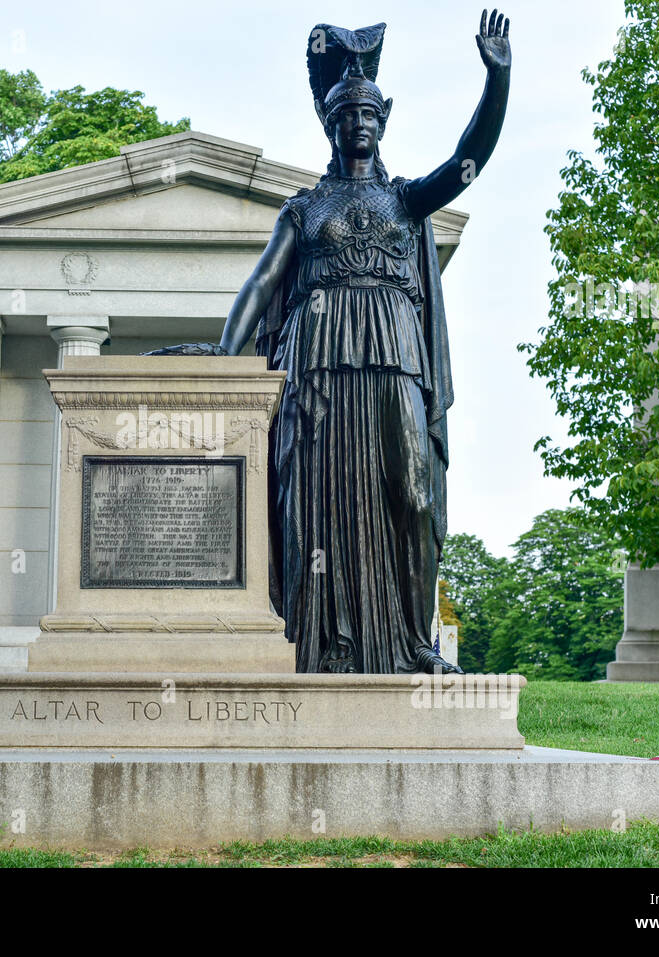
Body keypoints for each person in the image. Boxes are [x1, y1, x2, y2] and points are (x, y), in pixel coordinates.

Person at [216, 13, 511, 674]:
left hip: (395, 356)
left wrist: (499, 77)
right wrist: (223, 353)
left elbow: (469, 164)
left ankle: (413, 641)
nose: (361, 124)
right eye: (349, 115)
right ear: (331, 124)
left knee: (413, 495)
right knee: (319, 508)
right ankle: (328, 640)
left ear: (383, 122)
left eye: (371, 115)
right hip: (319, 364)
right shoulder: (303, 209)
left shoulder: (405, 201)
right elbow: (262, 282)